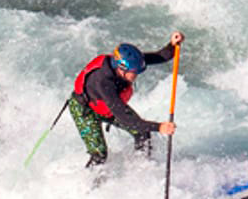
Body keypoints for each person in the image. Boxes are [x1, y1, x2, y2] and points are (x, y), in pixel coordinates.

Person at [69, 31, 184, 167]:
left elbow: (161, 56)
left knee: (142, 133)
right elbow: (126, 119)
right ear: (121, 69)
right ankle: (90, 184)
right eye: (134, 73)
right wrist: (159, 127)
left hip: (106, 105)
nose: (136, 75)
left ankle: (141, 168)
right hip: (85, 111)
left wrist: (172, 45)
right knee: (100, 155)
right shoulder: (103, 82)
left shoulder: (128, 63)